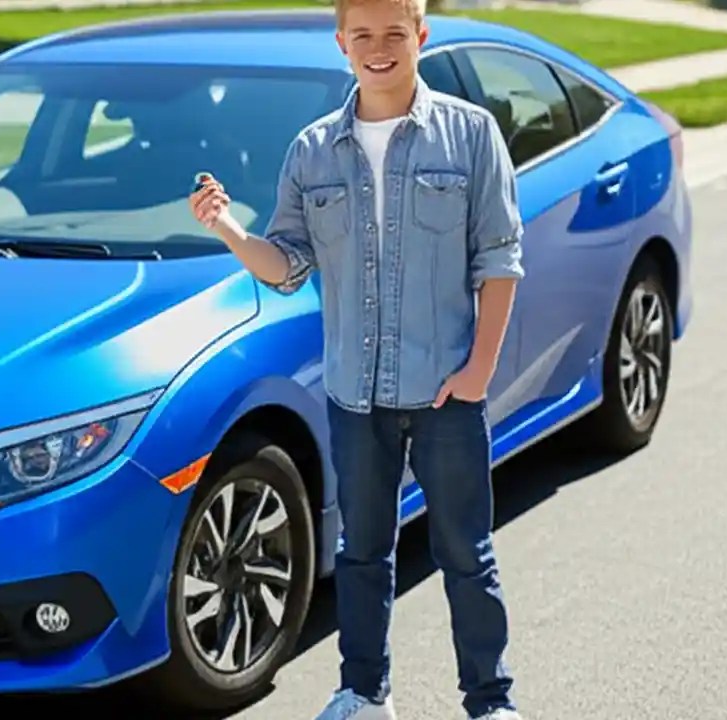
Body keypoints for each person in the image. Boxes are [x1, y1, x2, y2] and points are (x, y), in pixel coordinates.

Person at [188, 1, 525, 719]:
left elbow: (499, 261)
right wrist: (228, 230)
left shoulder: (471, 136)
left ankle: (490, 702)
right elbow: (287, 266)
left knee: (466, 554)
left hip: (447, 396)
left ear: (420, 37)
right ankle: (365, 694)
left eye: (394, 34)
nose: (379, 49)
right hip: (354, 398)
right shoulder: (312, 150)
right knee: (363, 555)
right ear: (342, 43)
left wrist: (479, 372)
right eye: (363, 36)